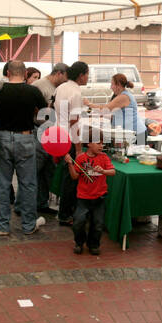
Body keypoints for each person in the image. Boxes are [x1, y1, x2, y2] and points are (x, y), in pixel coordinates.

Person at [0, 60, 48, 237]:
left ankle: (2, 226)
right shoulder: (33, 91)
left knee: (2, 183)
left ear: (8, 73)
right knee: (28, 183)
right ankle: (29, 225)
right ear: (24, 74)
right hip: (25, 138)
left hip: (2, 138)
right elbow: (45, 113)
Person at [70, 130, 116, 255]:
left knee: (98, 224)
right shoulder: (81, 158)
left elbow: (113, 172)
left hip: (99, 198)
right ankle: (79, 242)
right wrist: (70, 163)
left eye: (102, 143)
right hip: (83, 198)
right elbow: (74, 176)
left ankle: (93, 244)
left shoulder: (104, 157)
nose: (101, 146)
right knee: (78, 222)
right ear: (89, 144)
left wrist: (104, 171)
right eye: (98, 143)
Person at [56, 61, 90, 225]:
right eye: (87, 74)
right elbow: (74, 122)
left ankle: (64, 212)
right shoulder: (75, 93)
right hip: (69, 137)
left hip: (59, 135)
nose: (88, 77)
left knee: (65, 175)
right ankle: (65, 214)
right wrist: (78, 149)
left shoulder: (61, 87)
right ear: (81, 75)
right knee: (71, 178)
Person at [34, 63, 68, 214]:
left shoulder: (59, 88)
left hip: (52, 133)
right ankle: (24, 204)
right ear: (59, 73)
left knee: (48, 170)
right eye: (66, 77)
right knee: (35, 170)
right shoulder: (39, 86)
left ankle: (41, 203)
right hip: (40, 131)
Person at [98, 72, 147, 145]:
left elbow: (106, 109)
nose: (110, 87)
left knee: (135, 155)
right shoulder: (118, 96)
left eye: (112, 84)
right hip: (129, 133)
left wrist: (89, 104)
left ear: (119, 85)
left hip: (137, 133)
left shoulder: (123, 97)